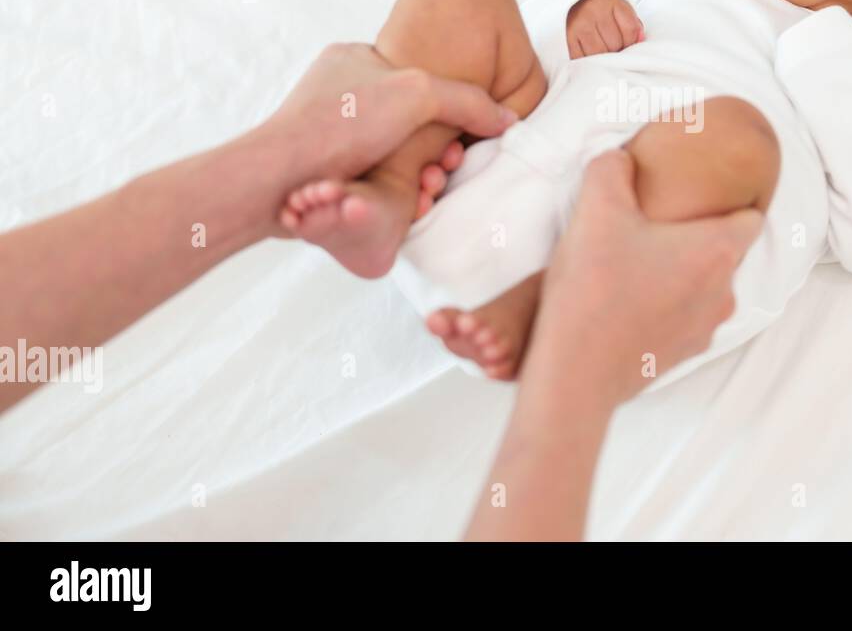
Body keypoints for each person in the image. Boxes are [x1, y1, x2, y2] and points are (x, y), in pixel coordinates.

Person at [0, 42, 761, 540]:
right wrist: (584, 10)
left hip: (621, 210)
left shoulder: (814, 50)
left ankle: (531, 289)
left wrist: (276, 158)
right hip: (510, 158)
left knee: (737, 135)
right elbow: (544, 36)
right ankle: (397, 194)